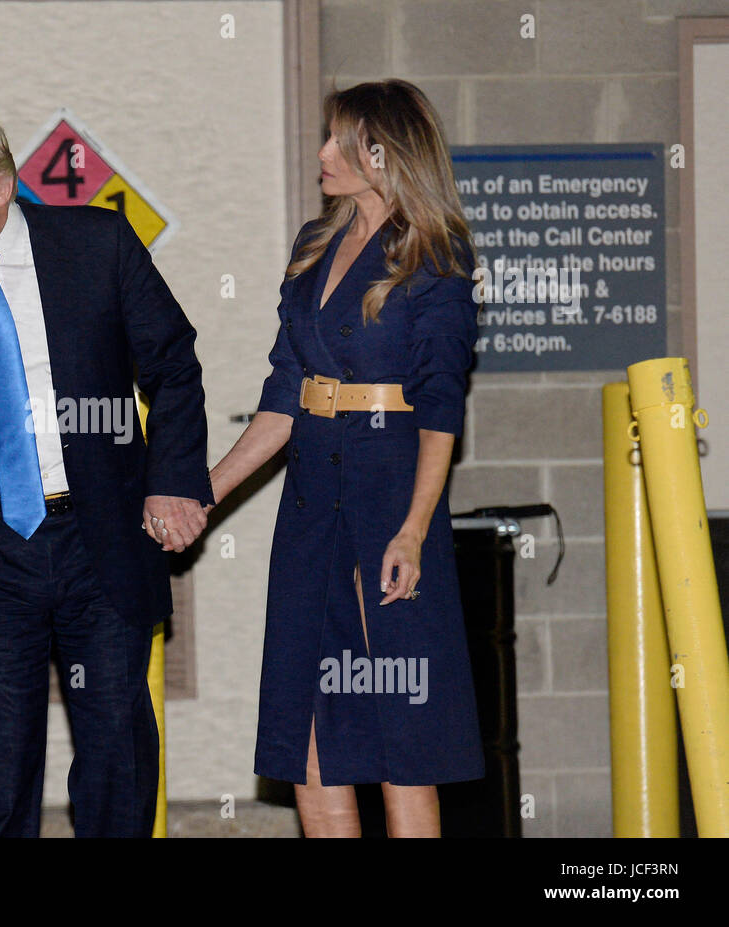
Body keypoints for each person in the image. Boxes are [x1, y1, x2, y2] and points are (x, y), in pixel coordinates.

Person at [0, 109, 212, 837]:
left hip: (100, 535)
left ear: (2, 185)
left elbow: (174, 362)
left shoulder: (95, 244)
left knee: (118, 753)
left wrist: (173, 480)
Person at [208, 80, 485, 838]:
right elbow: (284, 393)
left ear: (384, 151)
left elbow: (440, 405)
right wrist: (203, 495)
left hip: (389, 496)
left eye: (340, 140)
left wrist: (414, 531)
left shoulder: (435, 251)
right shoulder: (313, 243)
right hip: (310, 505)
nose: (323, 153)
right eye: (325, 138)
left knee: (404, 735)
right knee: (310, 737)